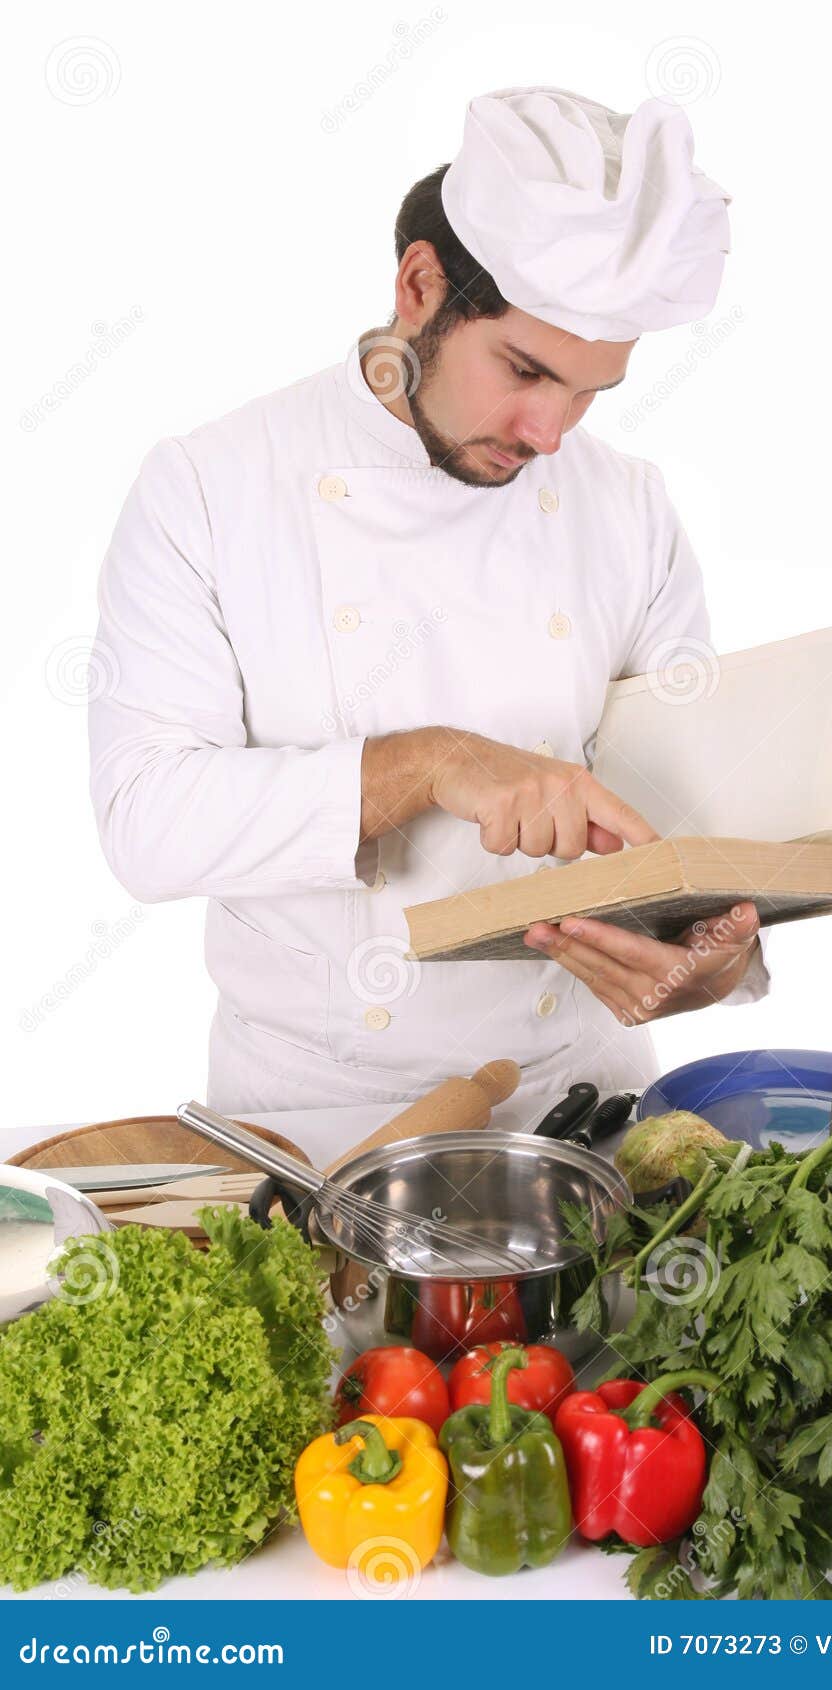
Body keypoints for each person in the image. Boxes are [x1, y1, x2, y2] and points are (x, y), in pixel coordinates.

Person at [88, 86, 769, 1130]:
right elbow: (146, 821)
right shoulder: (213, 487)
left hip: (586, 1112)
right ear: (418, 286)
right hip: (319, 1125)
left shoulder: (625, 506)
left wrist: (712, 960)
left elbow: (684, 829)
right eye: (525, 370)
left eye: (591, 392)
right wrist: (433, 761)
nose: (550, 432)